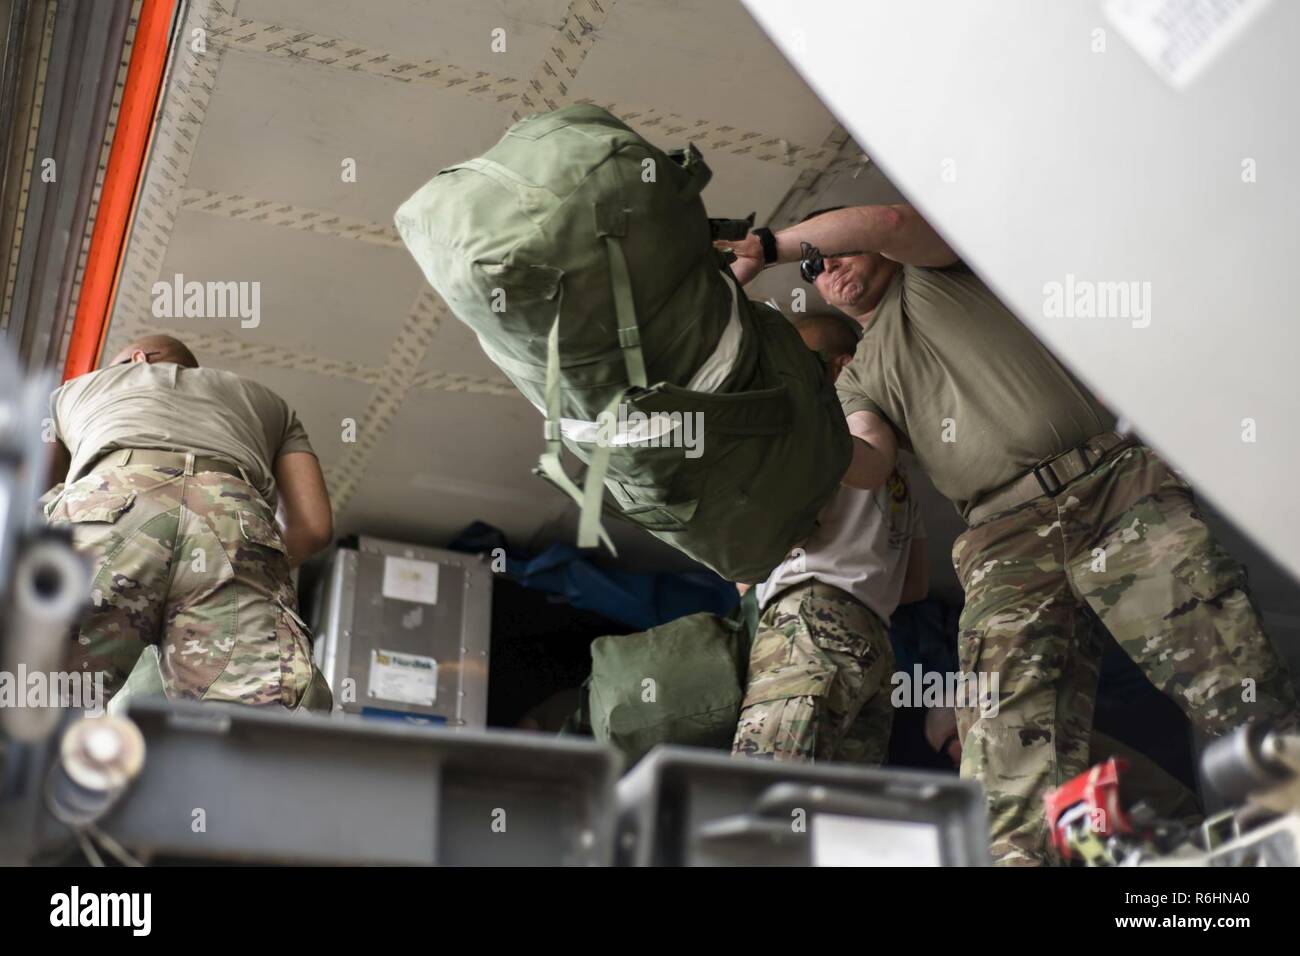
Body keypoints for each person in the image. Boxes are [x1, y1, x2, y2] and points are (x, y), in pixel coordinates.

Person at [719, 206, 1297, 864]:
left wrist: (771, 248)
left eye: (829, 250)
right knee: (1007, 767)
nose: (829, 267)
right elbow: (870, 459)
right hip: (1003, 539)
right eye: (815, 269)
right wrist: (788, 431)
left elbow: (888, 222)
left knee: (1232, 680)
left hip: (1108, 488)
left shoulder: (937, 274)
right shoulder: (858, 377)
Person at [44, 334, 334, 711]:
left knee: (33, 687)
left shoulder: (72, 391)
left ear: (138, 359)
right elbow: (314, 527)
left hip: (110, 499)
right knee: (259, 715)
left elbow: (23, 496)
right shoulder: (270, 404)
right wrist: (251, 564)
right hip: (232, 517)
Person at [733, 315, 926, 764]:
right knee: (835, 813)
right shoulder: (898, 471)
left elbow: (749, 563)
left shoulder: (815, 438)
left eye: (802, 360)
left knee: (766, 784)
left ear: (844, 365)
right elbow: (914, 584)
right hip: (874, 644)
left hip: (808, 623)